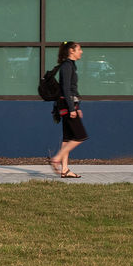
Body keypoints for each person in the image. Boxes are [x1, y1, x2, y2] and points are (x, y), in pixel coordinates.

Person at [50, 42, 86, 177]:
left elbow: (72, 89)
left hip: (70, 105)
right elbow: (65, 88)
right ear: (71, 51)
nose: (81, 51)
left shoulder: (70, 65)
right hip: (67, 105)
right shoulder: (67, 66)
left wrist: (77, 107)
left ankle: (64, 169)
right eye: (79, 49)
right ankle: (56, 159)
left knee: (67, 138)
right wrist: (72, 108)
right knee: (80, 136)